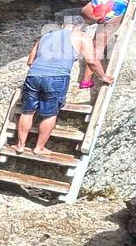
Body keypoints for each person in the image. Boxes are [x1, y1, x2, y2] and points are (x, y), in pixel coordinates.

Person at [14, 21, 112, 155]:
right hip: (56, 77)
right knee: (49, 114)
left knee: (28, 111)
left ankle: (20, 146)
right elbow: (91, 60)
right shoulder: (81, 37)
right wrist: (103, 76)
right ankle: (39, 148)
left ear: (61, 26)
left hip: (34, 75)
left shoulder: (46, 36)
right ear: (78, 27)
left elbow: (30, 61)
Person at [78, 0, 136, 87]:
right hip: (116, 7)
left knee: (80, 31)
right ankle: (86, 81)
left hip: (96, 5)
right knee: (99, 46)